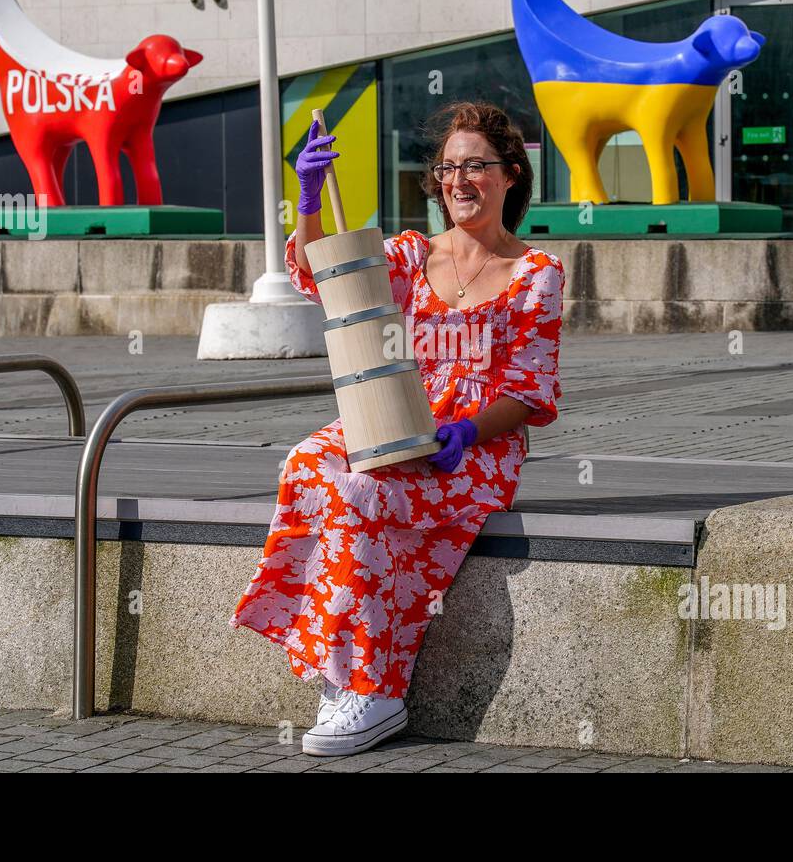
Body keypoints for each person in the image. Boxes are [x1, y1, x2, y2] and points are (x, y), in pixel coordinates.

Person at [229, 100, 565, 757]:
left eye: (477, 166)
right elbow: (327, 277)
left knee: (360, 493)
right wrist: (308, 195)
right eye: (449, 168)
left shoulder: (537, 273)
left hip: (477, 446)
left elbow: (530, 388)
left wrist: (467, 431)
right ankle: (340, 667)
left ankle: (375, 686)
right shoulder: (410, 255)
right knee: (305, 461)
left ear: (511, 175)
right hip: (393, 415)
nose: (461, 180)